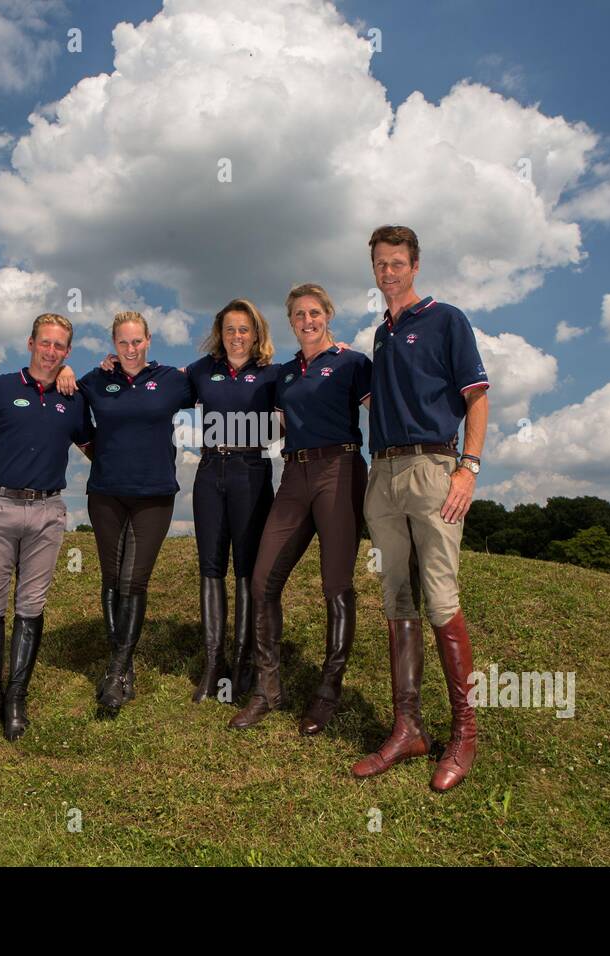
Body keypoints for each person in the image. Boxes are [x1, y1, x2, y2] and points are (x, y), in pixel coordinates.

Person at [351, 224, 490, 793]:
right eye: (380, 264)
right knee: (396, 596)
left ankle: (464, 734)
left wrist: (469, 467)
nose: (388, 271)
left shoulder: (446, 318)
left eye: (397, 263)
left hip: (434, 469)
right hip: (381, 472)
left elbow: (476, 396)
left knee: (440, 596)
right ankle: (407, 727)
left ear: (415, 266)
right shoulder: (380, 337)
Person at [229, 283, 372, 735]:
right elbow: (236, 377)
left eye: (314, 313)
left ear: (328, 315)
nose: (307, 321)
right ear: (289, 322)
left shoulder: (352, 362)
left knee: (335, 584)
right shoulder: (283, 374)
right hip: (294, 474)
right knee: (261, 581)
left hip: (340, 468)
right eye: (298, 315)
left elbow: (383, 409)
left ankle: (328, 690)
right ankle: (268, 690)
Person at [0, 313, 94, 746]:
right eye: (45, 343)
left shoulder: (74, 398)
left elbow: (95, 449)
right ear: (31, 342)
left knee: (30, 605)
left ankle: (17, 698)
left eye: (60, 346)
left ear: (68, 352)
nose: (51, 352)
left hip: (46, 511)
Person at [78, 312, 195, 713]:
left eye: (137, 342)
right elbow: (77, 425)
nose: (130, 350)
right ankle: (121, 669)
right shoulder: (95, 381)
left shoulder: (172, 381)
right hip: (106, 494)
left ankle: (116, 668)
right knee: (111, 577)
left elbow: (215, 383)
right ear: (114, 344)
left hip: (154, 494)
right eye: (123, 343)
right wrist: (101, 455)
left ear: (148, 341)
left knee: (133, 579)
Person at [183, 300, 281, 703]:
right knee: (210, 566)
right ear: (219, 334)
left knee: (245, 568)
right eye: (229, 330)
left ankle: (242, 666)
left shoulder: (275, 374)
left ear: (256, 334)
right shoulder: (201, 371)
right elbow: (150, 384)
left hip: (251, 471)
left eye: (244, 329)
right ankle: (213, 665)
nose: (236, 336)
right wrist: (111, 367)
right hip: (209, 471)